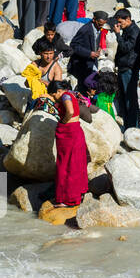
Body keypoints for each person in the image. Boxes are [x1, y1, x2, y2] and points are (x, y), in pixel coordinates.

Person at [50, 79, 88, 208]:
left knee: (65, 165)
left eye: (54, 94)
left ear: (59, 91)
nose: (53, 97)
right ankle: (78, 193)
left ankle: (67, 199)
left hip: (69, 132)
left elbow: (70, 111)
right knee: (76, 163)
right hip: (76, 130)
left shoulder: (65, 96)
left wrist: (62, 123)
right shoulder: (70, 94)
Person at [113, 9, 140, 129]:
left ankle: (133, 126)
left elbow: (126, 48)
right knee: (123, 97)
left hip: (129, 69)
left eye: (121, 22)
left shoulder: (134, 32)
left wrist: (117, 34)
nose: (119, 25)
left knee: (130, 98)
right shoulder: (127, 30)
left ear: (128, 19)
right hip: (123, 67)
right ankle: (128, 125)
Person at [69, 11, 109, 92]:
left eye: (103, 24)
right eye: (100, 24)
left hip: (91, 62)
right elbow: (73, 45)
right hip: (81, 64)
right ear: (94, 19)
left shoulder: (98, 28)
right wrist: (89, 53)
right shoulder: (85, 30)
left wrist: (97, 49)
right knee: (83, 87)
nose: (101, 26)